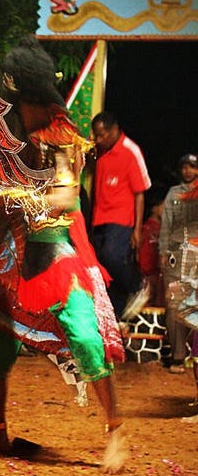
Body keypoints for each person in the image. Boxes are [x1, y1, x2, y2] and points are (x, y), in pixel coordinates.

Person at [0, 38, 128, 470]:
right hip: (6, 253)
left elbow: (63, 197)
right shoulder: (4, 133)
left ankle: (115, 427)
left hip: (50, 249)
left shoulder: (60, 135)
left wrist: (15, 201)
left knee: (83, 334)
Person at [90, 111, 151, 320]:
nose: (98, 139)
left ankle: (138, 284)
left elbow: (140, 192)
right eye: (96, 135)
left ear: (114, 129)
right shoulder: (99, 151)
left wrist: (137, 229)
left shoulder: (130, 151)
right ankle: (117, 317)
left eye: (102, 135)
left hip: (121, 219)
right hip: (99, 218)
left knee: (111, 255)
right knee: (103, 268)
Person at [159, 153, 198, 372]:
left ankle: (195, 355)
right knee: (174, 304)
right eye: (184, 167)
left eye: (192, 167)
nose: (188, 171)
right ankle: (177, 355)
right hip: (176, 255)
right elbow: (166, 225)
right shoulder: (173, 193)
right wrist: (163, 252)